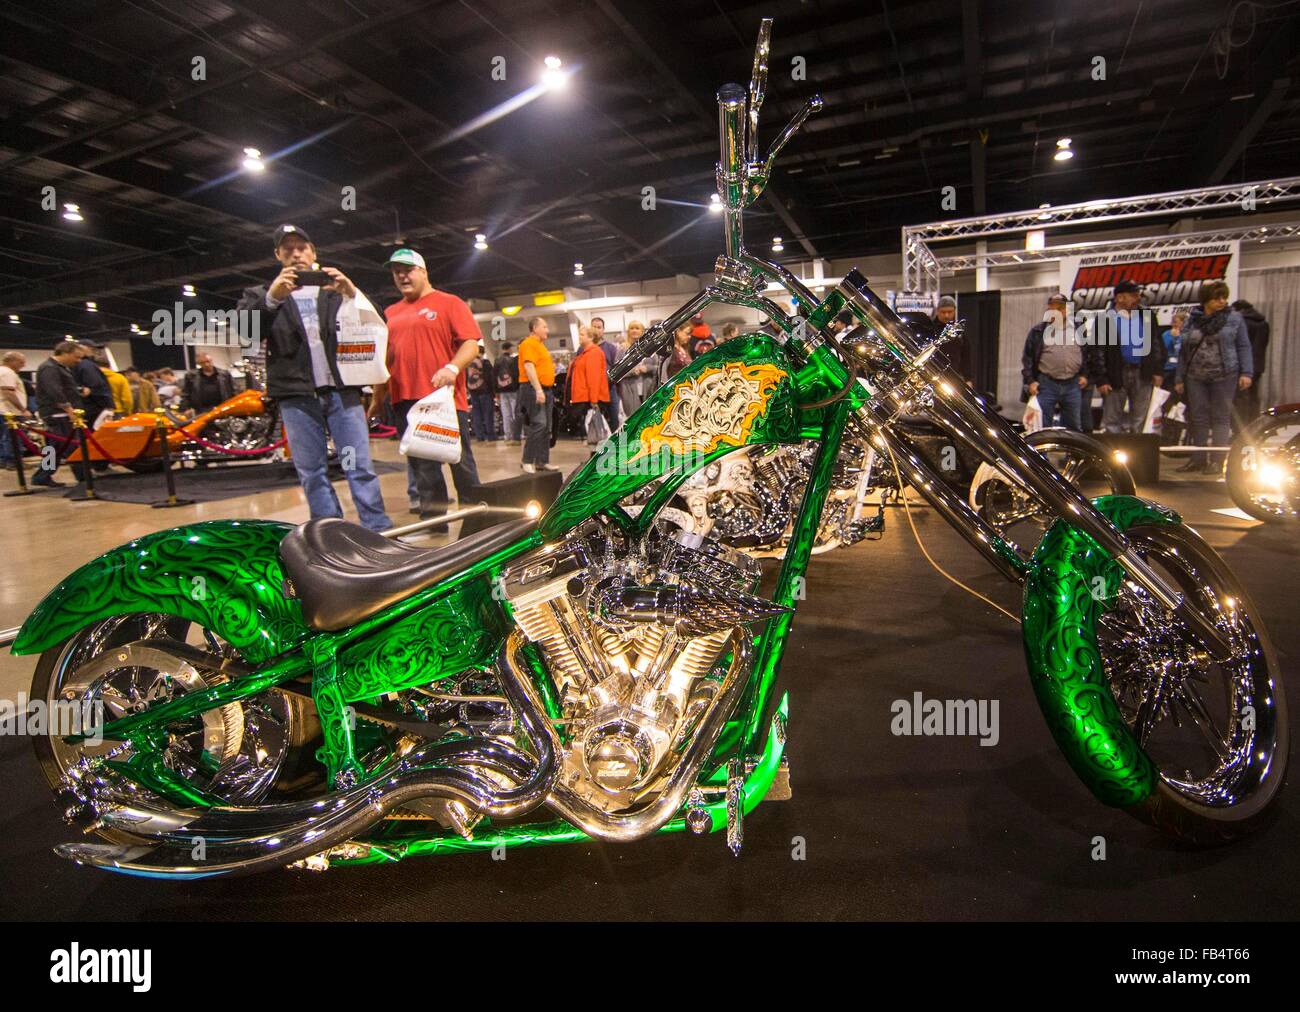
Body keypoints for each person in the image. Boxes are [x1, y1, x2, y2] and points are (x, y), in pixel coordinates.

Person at [237, 224, 391, 531]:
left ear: (314, 252)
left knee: (359, 465)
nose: (296, 253)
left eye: (302, 247)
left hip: (342, 391)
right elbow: (246, 333)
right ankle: (329, 532)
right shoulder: (259, 294)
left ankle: (379, 529)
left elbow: (378, 323)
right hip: (296, 396)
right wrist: (271, 299)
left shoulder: (334, 291)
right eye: (288, 248)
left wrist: (353, 293)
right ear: (278, 255)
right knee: (311, 470)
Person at [372, 247, 482, 518]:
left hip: (442, 399)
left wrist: (452, 367)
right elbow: (384, 360)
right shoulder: (390, 312)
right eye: (396, 272)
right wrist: (376, 399)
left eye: (407, 270)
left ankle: (478, 517)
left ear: (423, 271)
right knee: (422, 467)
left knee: (460, 460)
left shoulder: (449, 303)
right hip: (405, 401)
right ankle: (433, 523)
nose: (401, 276)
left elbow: (471, 344)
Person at [1174, 281, 1253, 475]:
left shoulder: (1234, 318)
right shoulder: (1193, 319)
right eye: (1217, 298)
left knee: (1221, 417)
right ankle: (1198, 459)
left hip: (1225, 374)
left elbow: (1244, 346)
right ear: (1206, 299)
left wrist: (1247, 373)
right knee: (1198, 417)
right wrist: (1179, 377)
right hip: (1195, 375)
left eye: (1224, 297)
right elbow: (1184, 351)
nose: (1222, 301)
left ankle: (1218, 461)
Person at [1092, 280, 1165, 433]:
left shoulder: (1147, 316)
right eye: (1133, 295)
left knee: (1140, 419)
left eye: (1138, 294)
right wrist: (1101, 379)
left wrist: (1158, 371)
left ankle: (1137, 455)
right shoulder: (1105, 319)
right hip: (1115, 375)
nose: (1137, 298)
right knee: (1112, 421)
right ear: (1119, 298)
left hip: (1142, 373)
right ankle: (1113, 455)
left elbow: (1156, 343)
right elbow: (1097, 351)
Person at [1020, 293, 1090, 432]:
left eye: (1061, 308)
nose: (1057, 311)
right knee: (1041, 426)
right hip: (1046, 383)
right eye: (1054, 307)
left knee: (1073, 427)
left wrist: (1084, 374)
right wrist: (1031, 381)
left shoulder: (1078, 329)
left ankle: (1071, 453)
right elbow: (1027, 359)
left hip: (1072, 384)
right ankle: (1041, 454)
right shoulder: (1038, 331)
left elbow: (1086, 353)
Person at [32, 341, 85, 487]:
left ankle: (42, 476)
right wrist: (69, 410)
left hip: (60, 414)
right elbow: (54, 391)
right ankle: (83, 477)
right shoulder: (49, 368)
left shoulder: (59, 368)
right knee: (71, 446)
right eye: (76, 357)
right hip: (58, 415)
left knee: (55, 448)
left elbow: (63, 388)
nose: (78, 361)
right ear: (65, 353)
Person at [517, 316, 557, 473]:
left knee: (547, 427)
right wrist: (538, 390)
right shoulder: (528, 344)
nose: (547, 330)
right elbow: (529, 366)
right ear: (535, 329)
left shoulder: (541, 345)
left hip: (546, 389)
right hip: (533, 389)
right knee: (539, 424)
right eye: (545, 327)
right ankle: (527, 460)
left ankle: (542, 461)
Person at [1231, 299, 1270, 428]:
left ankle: (1242, 430)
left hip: (1244, 365)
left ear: (1239, 309)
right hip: (1258, 365)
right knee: (1254, 397)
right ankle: (1255, 427)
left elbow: (1241, 345)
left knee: (1241, 399)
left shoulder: (1243, 323)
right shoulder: (1263, 323)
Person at [569, 325, 610, 442]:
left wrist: (594, 400)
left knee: (595, 428)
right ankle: (594, 456)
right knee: (592, 428)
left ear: (590, 337)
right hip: (585, 398)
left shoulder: (593, 353)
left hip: (590, 399)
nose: (579, 337)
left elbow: (594, 378)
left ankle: (597, 457)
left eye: (582, 335)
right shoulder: (585, 353)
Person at [0, 351, 31, 468]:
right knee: (12, 437)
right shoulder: (7, 373)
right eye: (21, 362)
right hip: (10, 412)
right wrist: (23, 409)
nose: (23, 365)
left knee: (4, 437)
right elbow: (8, 392)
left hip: (3, 411)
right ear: (11, 361)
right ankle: (14, 461)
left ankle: (4, 460)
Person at [618, 320, 654, 416]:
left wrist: (647, 368)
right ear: (628, 331)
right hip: (629, 391)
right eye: (631, 328)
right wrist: (632, 371)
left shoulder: (651, 348)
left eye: (637, 328)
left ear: (642, 331)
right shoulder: (622, 349)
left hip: (649, 389)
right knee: (633, 419)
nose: (634, 330)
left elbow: (658, 367)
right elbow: (617, 372)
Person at [73, 342, 114, 425]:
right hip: (94, 408)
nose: (93, 351)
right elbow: (97, 386)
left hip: (85, 407)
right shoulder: (86, 365)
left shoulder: (81, 365)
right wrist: (108, 406)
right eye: (90, 348)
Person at [591, 317, 620, 433]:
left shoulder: (611, 348)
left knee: (615, 421)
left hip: (610, 390)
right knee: (596, 422)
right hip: (593, 392)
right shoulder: (584, 348)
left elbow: (617, 368)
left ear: (603, 330)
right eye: (594, 327)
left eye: (599, 327)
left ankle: (618, 447)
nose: (596, 330)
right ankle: (598, 450)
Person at [465, 347, 496, 442]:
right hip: (485, 392)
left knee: (476, 414)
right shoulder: (485, 363)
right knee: (488, 414)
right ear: (483, 352)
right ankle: (490, 436)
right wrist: (493, 391)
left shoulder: (468, 363)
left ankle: (479, 436)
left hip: (473, 391)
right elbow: (490, 377)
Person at [494, 342, 521, 443]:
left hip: (502, 390)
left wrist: (496, 390)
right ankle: (518, 433)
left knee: (505, 414)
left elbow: (494, 376)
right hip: (513, 389)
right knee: (515, 413)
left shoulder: (497, 361)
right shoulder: (513, 360)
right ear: (509, 349)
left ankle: (507, 435)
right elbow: (515, 374)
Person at [95, 350, 132, 415]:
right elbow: (127, 399)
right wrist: (127, 412)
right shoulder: (120, 378)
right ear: (109, 366)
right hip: (118, 411)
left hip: (99, 412)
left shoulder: (93, 378)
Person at [1161, 308, 1189, 389]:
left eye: (1175, 322)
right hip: (1168, 368)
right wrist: (1172, 338)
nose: (1173, 324)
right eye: (1172, 321)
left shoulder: (1187, 335)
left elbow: (1182, 351)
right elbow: (1163, 350)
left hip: (1182, 370)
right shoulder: (1166, 334)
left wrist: (1176, 339)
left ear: (1183, 323)